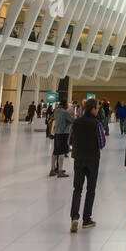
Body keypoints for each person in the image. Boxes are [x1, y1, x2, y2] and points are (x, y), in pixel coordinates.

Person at [68, 99, 105, 232]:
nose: (98, 110)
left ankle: (74, 217)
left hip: (78, 158)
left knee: (77, 189)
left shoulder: (76, 122)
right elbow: (102, 143)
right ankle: (86, 219)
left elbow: (70, 140)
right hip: (92, 159)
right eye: (97, 108)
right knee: (91, 189)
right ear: (93, 109)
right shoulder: (97, 124)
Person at [49, 101, 74, 177]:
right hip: (63, 133)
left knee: (55, 151)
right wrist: (71, 117)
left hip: (56, 133)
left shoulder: (56, 111)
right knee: (62, 152)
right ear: (64, 105)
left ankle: (52, 169)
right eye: (67, 105)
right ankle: (60, 171)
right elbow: (73, 120)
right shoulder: (65, 112)